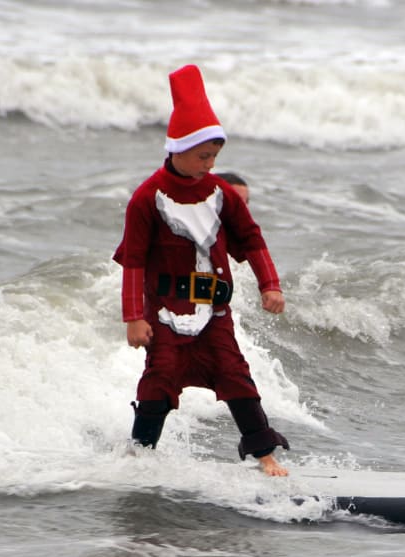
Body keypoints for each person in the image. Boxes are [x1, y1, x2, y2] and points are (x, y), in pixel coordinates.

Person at [113, 64, 290, 477]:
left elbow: (251, 239)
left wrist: (271, 285)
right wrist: (133, 318)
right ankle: (139, 458)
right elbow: (134, 260)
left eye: (215, 156)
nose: (209, 164)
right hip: (165, 313)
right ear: (177, 149)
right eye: (203, 155)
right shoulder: (146, 197)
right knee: (159, 381)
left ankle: (265, 455)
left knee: (235, 375)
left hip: (214, 313)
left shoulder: (221, 192)